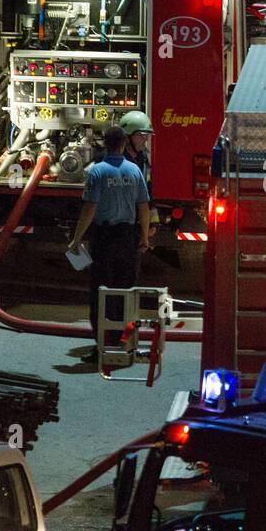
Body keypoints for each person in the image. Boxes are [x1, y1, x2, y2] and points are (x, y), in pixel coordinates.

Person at [68, 124, 150, 361]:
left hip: (104, 239)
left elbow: (90, 208)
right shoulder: (134, 171)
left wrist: (76, 238)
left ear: (106, 144)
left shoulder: (97, 172)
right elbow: (143, 207)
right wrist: (143, 237)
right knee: (125, 291)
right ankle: (125, 344)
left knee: (101, 293)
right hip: (128, 238)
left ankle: (103, 346)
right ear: (124, 144)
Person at [119, 110, 158, 246]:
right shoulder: (116, 162)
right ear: (127, 137)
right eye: (141, 135)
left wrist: (151, 223)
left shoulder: (142, 159)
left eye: (147, 135)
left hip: (134, 225)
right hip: (117, 228)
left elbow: (148, 193)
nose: (146, 139)